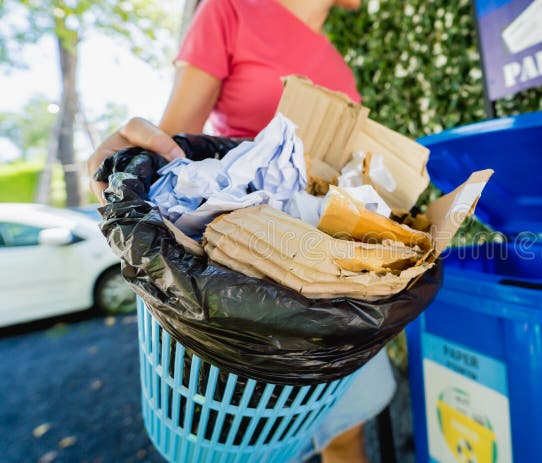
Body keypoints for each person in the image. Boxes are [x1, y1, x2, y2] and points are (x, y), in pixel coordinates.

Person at [86, 1, 396, 462]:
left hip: (329, 285)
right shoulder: (229, 10)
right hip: (245, 282)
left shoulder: (336, 62)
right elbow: (173, 145)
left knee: (344, 431)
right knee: (255, 445)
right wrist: (126, 162)